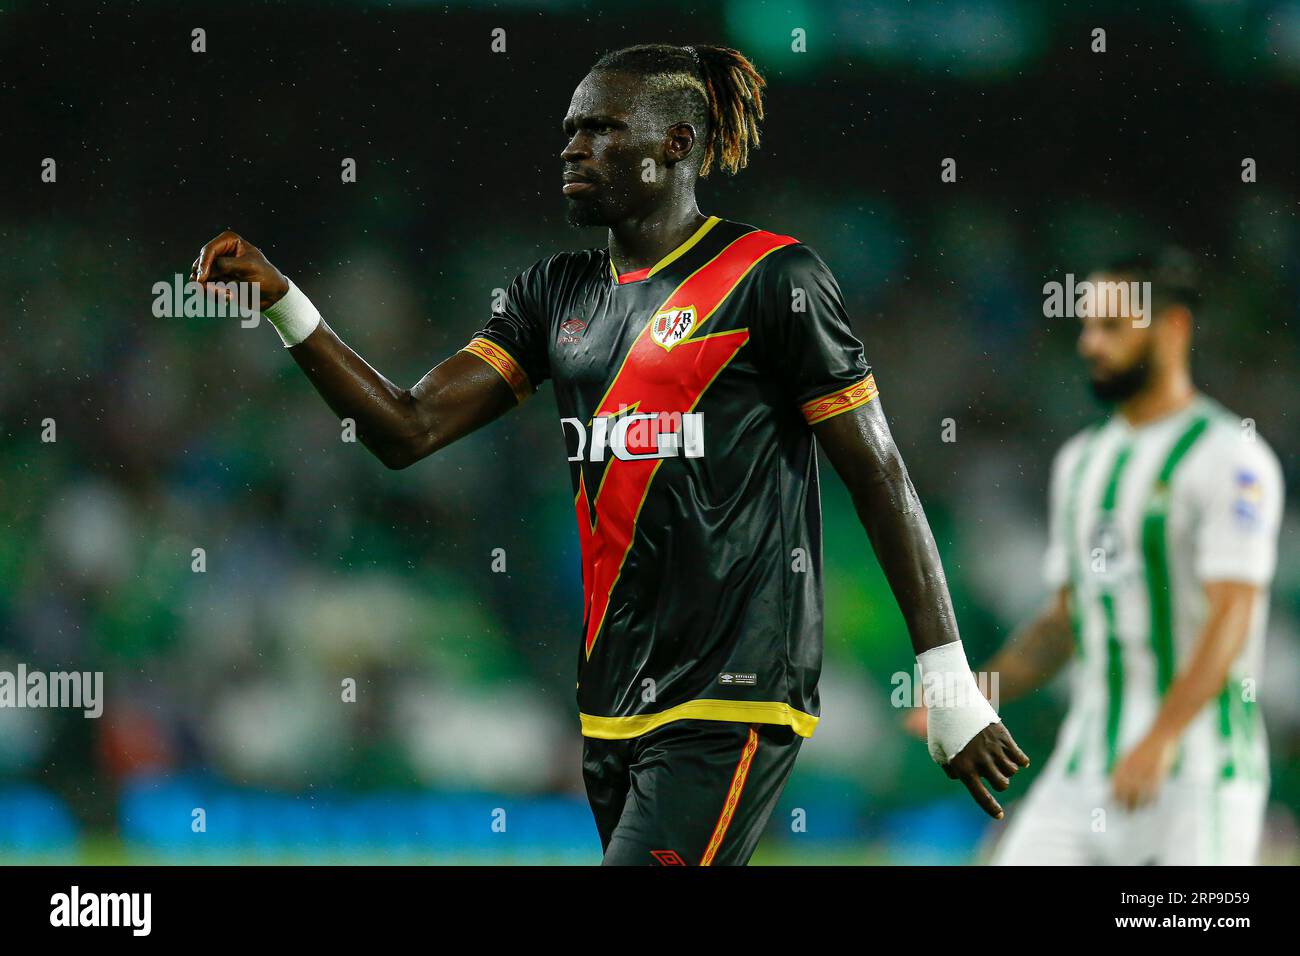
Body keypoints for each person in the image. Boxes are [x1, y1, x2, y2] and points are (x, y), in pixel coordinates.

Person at [192, 42, 1026, 866]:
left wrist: (945, 675)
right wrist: (285, 302)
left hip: (734, 691)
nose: (571, 148)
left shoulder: (773, 279)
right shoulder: (553, 295)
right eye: (567, 130)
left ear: (677, 145)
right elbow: (406, 431)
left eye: (599, 129)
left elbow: (877, 471)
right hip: (611, 703)